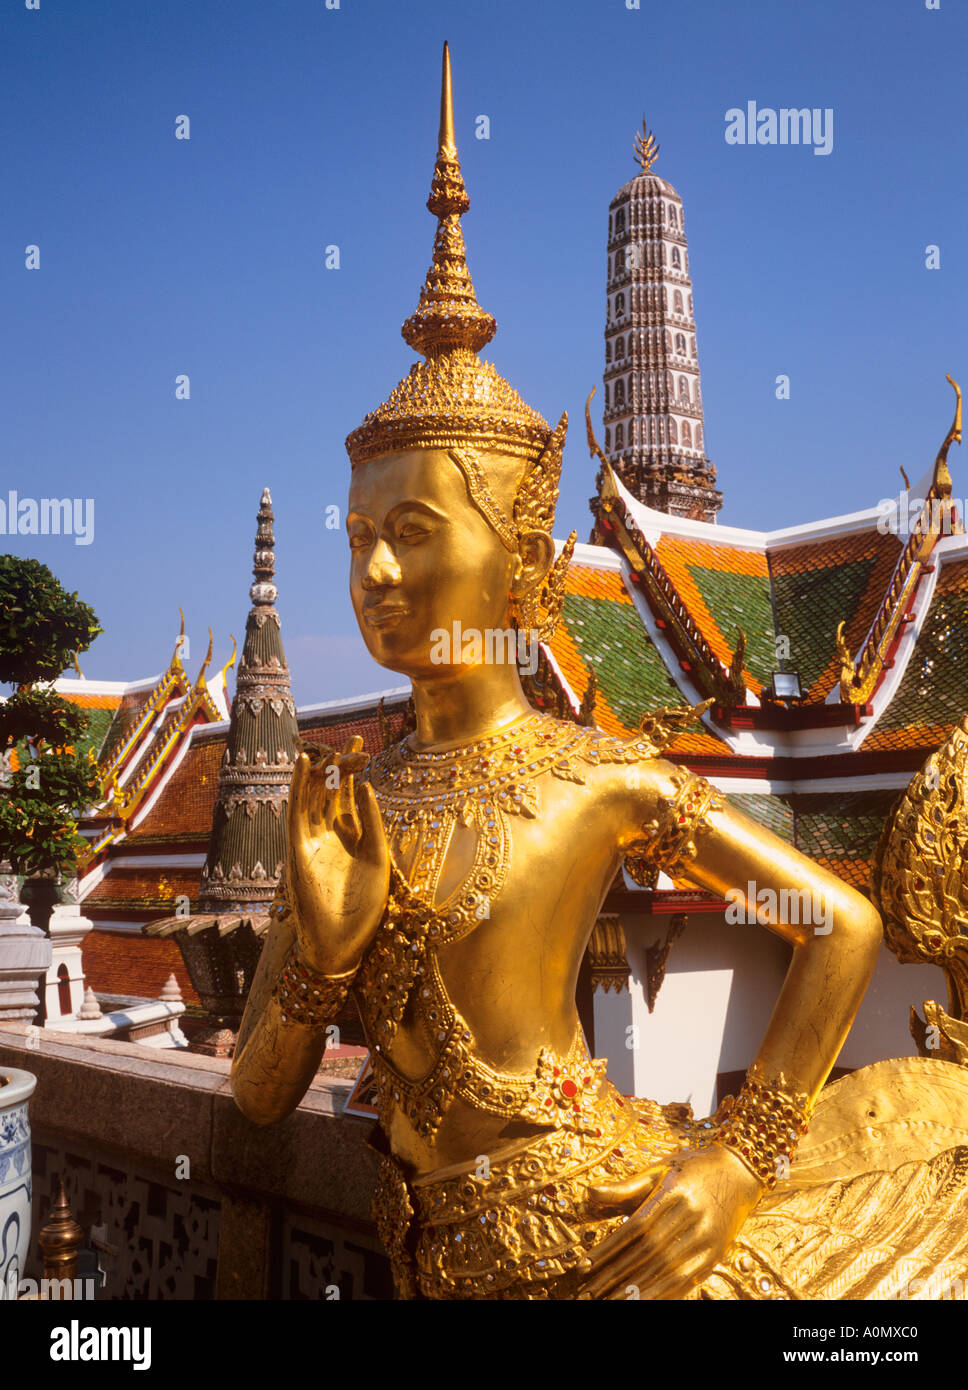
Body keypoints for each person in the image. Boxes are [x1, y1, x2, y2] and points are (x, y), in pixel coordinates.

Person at [232, 44, 968, 1300]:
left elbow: (839, 924)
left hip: (599, 1236)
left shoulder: (589, 777)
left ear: (518, 552)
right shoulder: (347, 805)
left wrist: (737, 1162)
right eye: (358, 540)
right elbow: (255, 1096)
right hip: (428, 1257)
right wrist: (322, 949)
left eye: (414, 534)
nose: (375, 576)